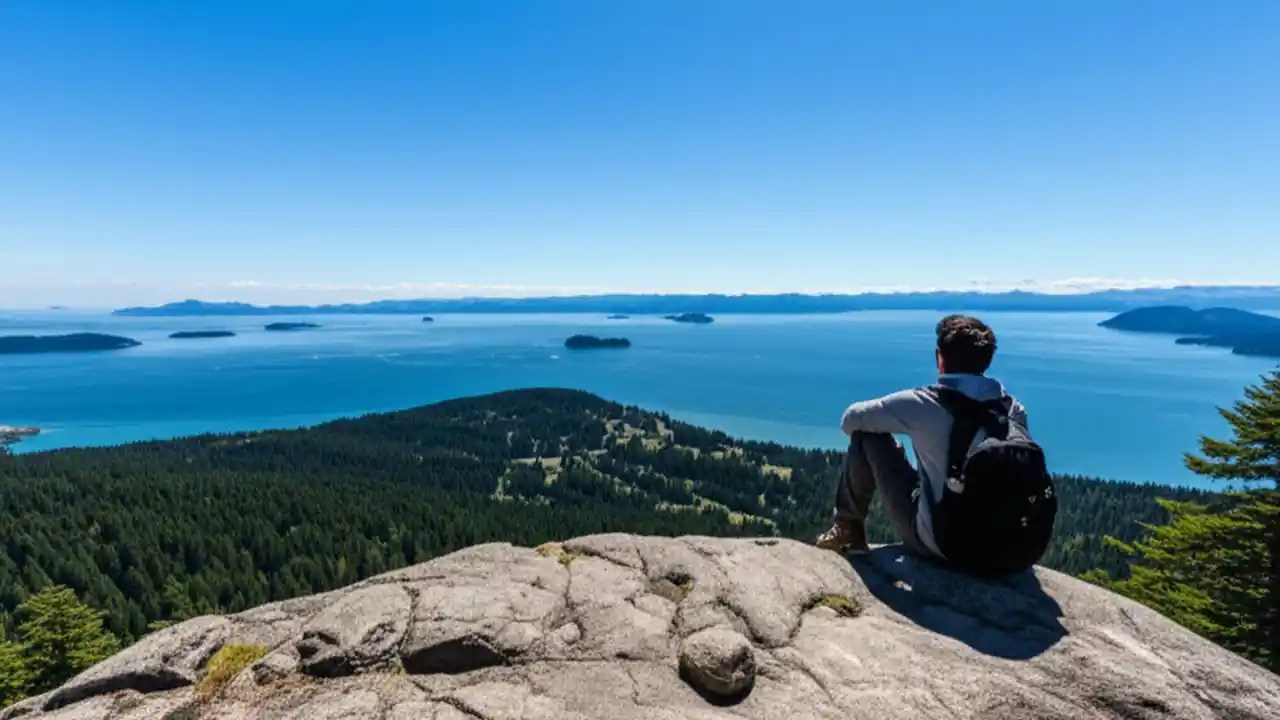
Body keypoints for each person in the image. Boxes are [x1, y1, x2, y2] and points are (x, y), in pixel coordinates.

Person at [815, 314, 1038, 564]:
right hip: (1007, 551)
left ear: (939, 358)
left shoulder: (924, 404)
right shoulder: (1012, 410)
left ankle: (848, 530)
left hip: (942, 545)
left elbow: (850, 420)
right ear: (985, 362)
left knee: (867, 437)